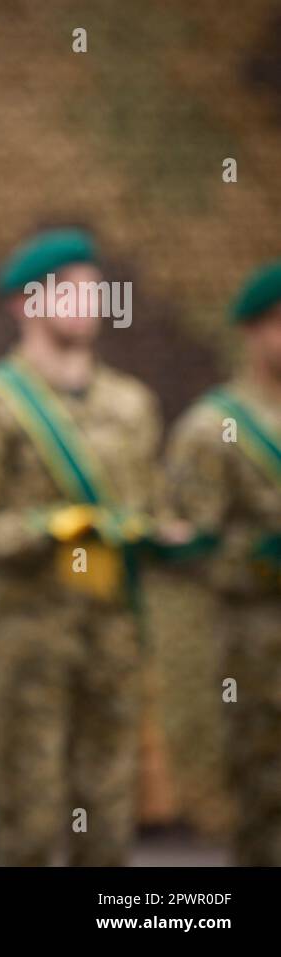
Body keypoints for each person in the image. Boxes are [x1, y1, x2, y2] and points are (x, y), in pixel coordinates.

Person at [0, 228, 164, 866]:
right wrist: (51, 527)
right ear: (23, 304)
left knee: (111, 816)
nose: (86, 305)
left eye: (94, 292)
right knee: (30, 819)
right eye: (67, 293)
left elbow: (151, 509)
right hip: (31, 645)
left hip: (115, 636)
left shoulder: (132, 405)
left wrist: (153, 531)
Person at [164, 261, 281, 866]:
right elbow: (187, 545)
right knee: (263, 793)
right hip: (256, 642)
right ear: (254, 331)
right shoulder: (215, 428)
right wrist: (255, 556)